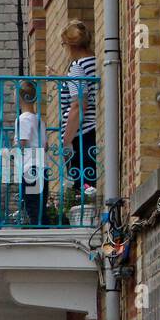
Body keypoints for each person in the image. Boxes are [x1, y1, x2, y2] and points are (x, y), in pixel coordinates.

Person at [59, 20, 98, 196]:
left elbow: (78, 105)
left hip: (82, 136)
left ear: (70, 45)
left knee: (82, 188)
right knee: (88, 186)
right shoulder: (94, 63)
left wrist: (66, 141)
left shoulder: (77, 67)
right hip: (92, 133)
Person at [16, 81, 47, 225]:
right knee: (40, 203)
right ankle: (40, 225)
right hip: (43, 166)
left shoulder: (23, 119)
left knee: (31, 203)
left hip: (30, 167)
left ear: (19, 97)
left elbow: (22, 143)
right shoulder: (39, 120)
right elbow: (45, 145)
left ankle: (36, 228)